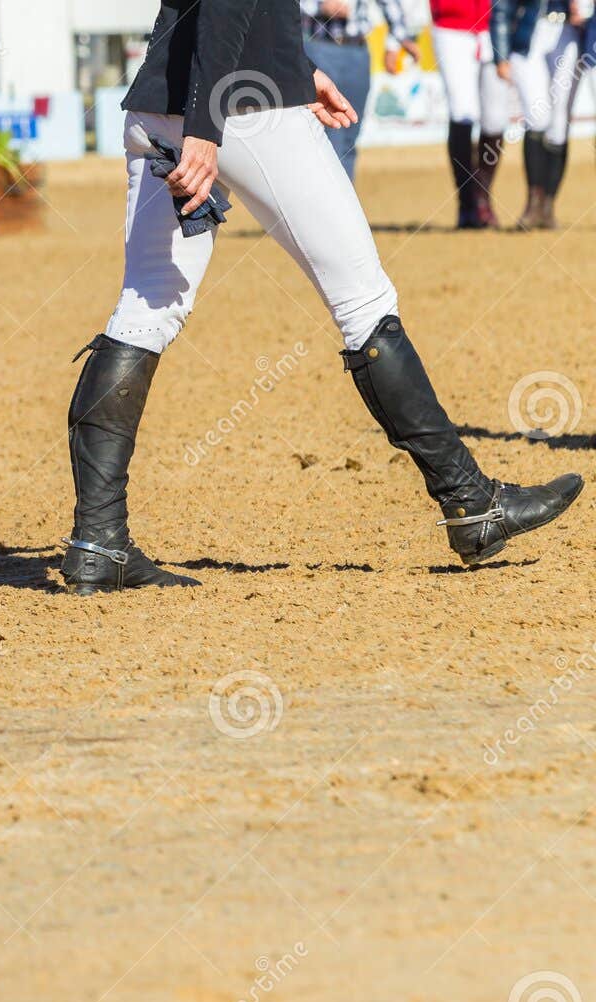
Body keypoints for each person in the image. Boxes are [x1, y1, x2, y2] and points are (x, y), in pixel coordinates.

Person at [61, 0, 582, 596]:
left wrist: (297, 66)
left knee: (147, 303)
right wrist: (208, 130)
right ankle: (473, 504)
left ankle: (97, 541)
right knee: (364, 300)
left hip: (161, 103)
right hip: (240, 110)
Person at [300, 0, 421, 180]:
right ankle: (327, 204)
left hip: (357, 50)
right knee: (328, 138)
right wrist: (319, 5)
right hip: (318, 45)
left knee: (349, 138)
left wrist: (397, 40)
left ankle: (343, 204)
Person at [495, 0, 587, 228]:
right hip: (530, 33)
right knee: (537, 117)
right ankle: (532, 203)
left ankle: (548, 205)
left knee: (558, 125)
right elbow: (501, 7)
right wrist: (501, 51)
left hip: (569, 32)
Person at [431, 0, 512, 227]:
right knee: (462, 112)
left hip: (496, 26)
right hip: (451, 26)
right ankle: (467, 204)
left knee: (496, 119)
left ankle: (482, 197)